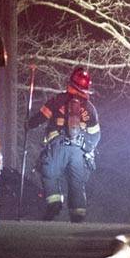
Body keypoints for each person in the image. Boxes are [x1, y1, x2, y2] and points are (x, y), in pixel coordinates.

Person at [26, 66, 101, 222]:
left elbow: (40, 117)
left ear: (71, 82)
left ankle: (54, 203)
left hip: (57, 147)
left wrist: (29, 124)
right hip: (79, 151)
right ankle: (78, 213)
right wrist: (87, 148)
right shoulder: (90, 109)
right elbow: (95, 135)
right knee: (76, 183)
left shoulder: (57, 100)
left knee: (49, 173)